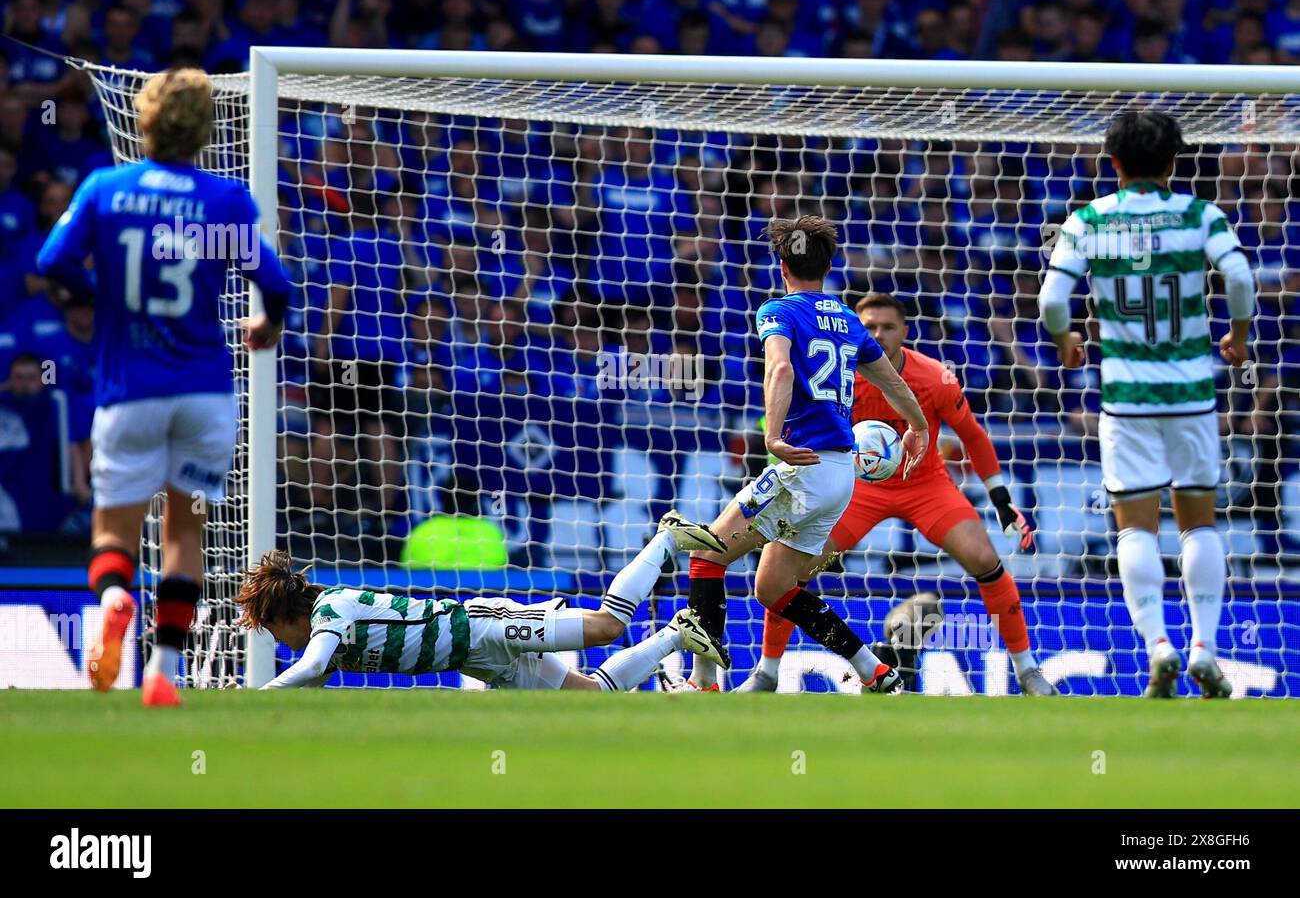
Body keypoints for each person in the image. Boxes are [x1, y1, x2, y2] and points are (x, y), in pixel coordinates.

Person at [36, 68, 292, 706]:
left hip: (129, 389)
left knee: (114, 528)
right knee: (185, 529)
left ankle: (117, 599)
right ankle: (165, 673)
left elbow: (52, 262)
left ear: (144, 120)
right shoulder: (225, 201)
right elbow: (279, 285)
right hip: (203, 390)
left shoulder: (105, 188)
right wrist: (267, 324)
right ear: (204, 130)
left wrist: (106, 302)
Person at [603, 215, 928, 693]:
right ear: (829, 265)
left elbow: (779, 369)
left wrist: (773, 437)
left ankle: (703, 682)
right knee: (772, 588)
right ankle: (874, 670)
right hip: (841, 474)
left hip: (801, 466)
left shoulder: (778, 310)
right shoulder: (848, 321)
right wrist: (917, 424)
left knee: (706, 553)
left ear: (781, 266)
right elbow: (890, 380)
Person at [735, 293, 1058, 695]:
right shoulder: (840, 376)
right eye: (869, 326)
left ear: (904, 332)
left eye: (887, 327)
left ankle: (1028, 671)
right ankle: (766, 672)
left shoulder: (934, 377)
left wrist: (999, 497)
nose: (878, 334)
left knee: (985, 559)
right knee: (790, 570)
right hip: (857, 489)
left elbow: (973, 435)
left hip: (925, 484)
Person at [1038, 110, 1254, 698]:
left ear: (1113, 163)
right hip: (1189, 393)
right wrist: (1237, 333)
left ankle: (1159, 646)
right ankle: (1205, 647)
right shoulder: (1199, 214)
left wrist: (1065, 340)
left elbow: (1052, 298)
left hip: (1126, 398)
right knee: (1199, 522)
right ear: (1174, 162)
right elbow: (1238, 276)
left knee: (1134, 526)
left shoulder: (1088, 220)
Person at [234, 543, 723, 692]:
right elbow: (308, 685)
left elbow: (311, 667)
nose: (281, 642)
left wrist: (255, 699)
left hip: (483, 625)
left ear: (286, 613)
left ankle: (666, 539)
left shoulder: (331, 610)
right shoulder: (329, 639)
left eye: (273, 629)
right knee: (591, 696)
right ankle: (676, 635)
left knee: (607, 627)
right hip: (483, 663)